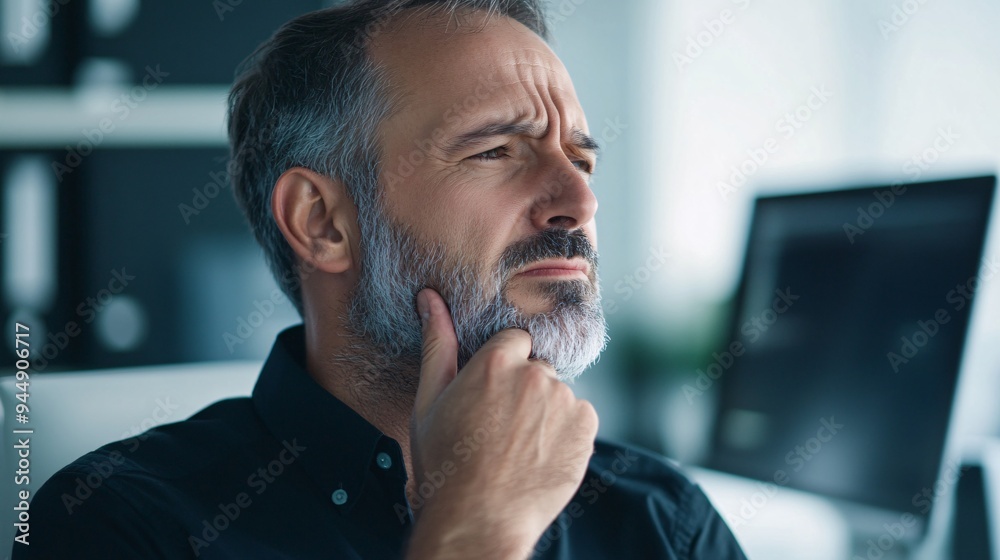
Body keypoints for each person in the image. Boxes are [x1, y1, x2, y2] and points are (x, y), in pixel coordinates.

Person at [18, 1, 747, 558]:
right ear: (323, 222)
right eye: (496, 151)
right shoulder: (118, 523)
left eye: (581, 161)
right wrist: (475, 530)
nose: (580, 201)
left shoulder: (664, 522)